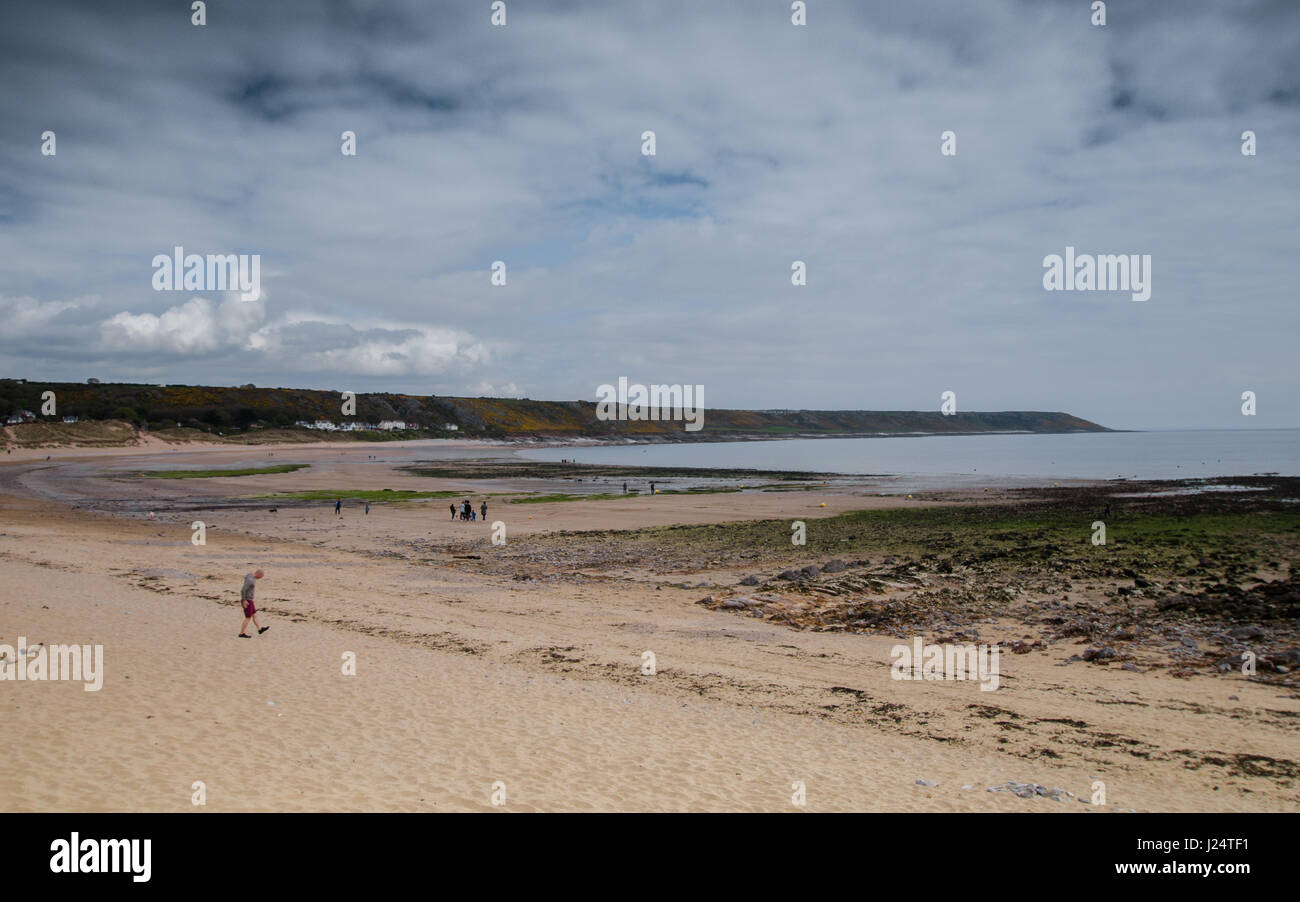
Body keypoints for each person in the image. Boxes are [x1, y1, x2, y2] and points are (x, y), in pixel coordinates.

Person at [238, 569, 269, 638]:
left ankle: (260, 629)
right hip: (247, 601)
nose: (260, 578)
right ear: (258, 575)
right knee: (248, 617)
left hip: (250, 600)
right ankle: (241, 633)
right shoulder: (250, 580)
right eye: (260, 577)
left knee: (254, 615)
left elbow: (249, 574)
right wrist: (244, 600)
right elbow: (243, 590)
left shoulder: (250, 575)